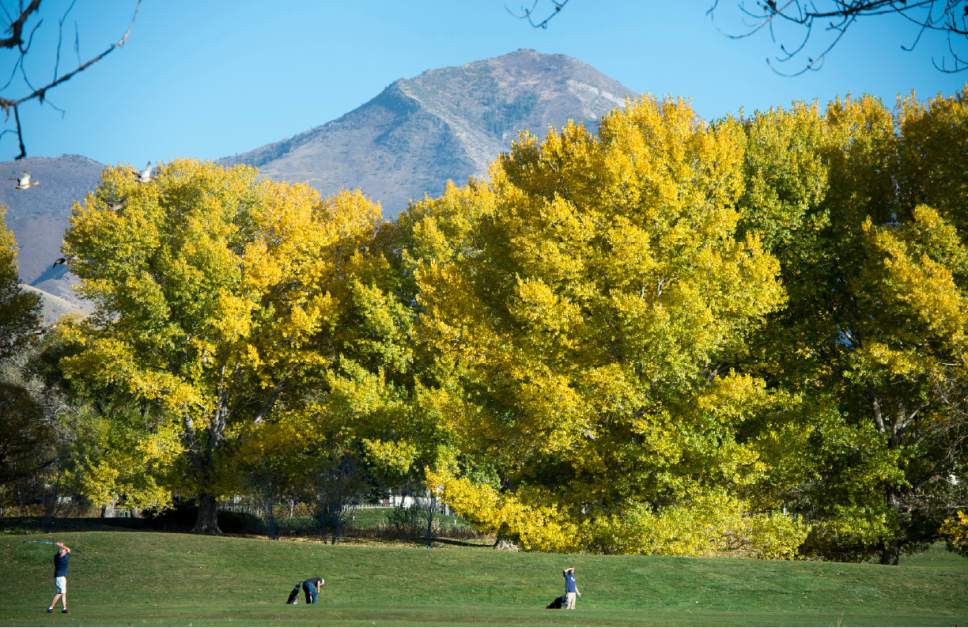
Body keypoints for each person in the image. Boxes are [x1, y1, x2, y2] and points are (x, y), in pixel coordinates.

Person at [47, 541, 71, 614]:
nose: (65, 551)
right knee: (60, 593)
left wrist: (61, 545)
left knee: (63, 593)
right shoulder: (58, 557)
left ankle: (64, 608)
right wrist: (60, 546)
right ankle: (50, 608)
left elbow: (68, 550)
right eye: (63, 550)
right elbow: (67, 550)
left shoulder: (64, 556)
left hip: (61, 577)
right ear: (60, 551)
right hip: (60, 577)